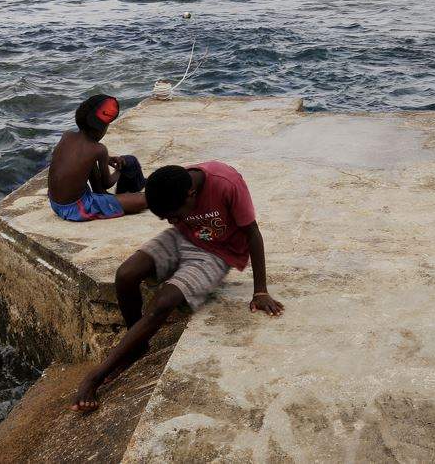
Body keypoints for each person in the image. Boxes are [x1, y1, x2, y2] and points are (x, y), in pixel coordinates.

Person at [72, 160, 283, 413]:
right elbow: (173, 221)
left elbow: (252, 233)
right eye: (166, 218)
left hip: (218, 252)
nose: (171, 220)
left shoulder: (226, 184)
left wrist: (260, 290)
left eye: (174, 215)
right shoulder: (172, 184)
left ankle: (95, 376)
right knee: (125, 274)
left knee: (163, 302)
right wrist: (179, 224)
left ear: (191, 194)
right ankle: (137, 345)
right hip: (185, 237)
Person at [46, 94, 149, 221]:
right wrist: (119, 169)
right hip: (75, 208)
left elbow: (80, 157)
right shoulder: (99, 149)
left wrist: (108, 159)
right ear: (100, 129)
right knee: (142, 200)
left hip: (55, 203)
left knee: (94, 165)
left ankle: (108, 197)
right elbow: (107, 183)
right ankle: (128, 193)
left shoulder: (67, 135)